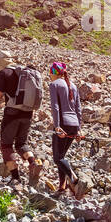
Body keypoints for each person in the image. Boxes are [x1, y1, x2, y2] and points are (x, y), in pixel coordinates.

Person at [0, 50, 43, 185]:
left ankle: (16, 178)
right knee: (21, 144)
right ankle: (33, 162)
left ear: (1, 61)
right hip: (27, 113)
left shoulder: (4, 73)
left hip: (12, 114)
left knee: (6, 145)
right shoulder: (23, 73)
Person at [48, 61, 83, 197]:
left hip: (63, 123)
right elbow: (78, 109)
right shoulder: (73, 85)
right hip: (74, 125)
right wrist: (79, 128)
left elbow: (55, 107)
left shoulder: (54, 85)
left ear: (54, 73)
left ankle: (71, 175)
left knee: (57, 158)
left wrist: (57, 126)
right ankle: (62, 186)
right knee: (61, 156)